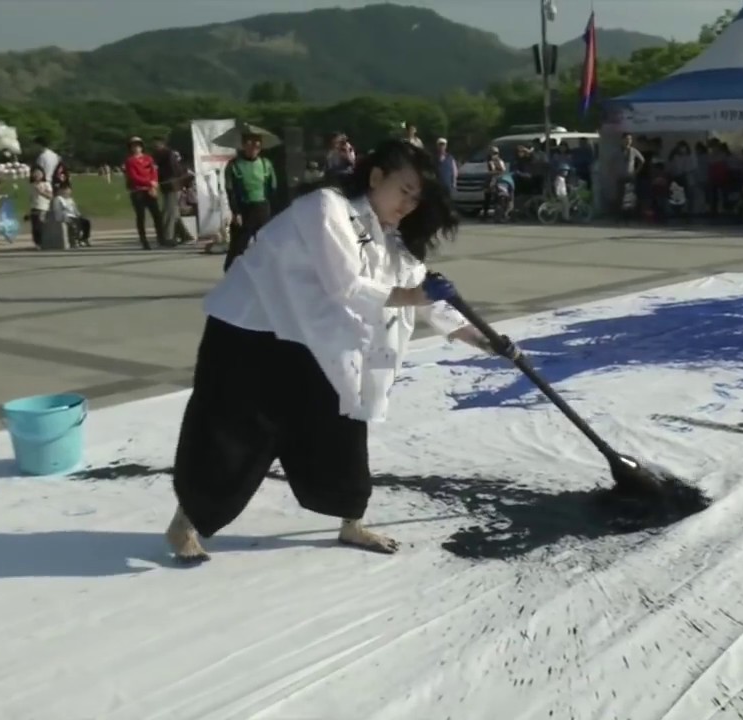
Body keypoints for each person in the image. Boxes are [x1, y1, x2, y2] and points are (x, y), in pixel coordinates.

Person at [166, 140, 519, 562]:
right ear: (375, 177)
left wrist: (484, 340)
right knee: (233, 431)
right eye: (403, 190)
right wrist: (414, 293)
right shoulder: (325, 207)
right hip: (253, 331)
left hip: (315, 339)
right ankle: (186, 523)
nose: (408, 204)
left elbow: (432, 302)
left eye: (416, 198)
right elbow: (347, 286)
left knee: (339, 426)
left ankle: (351, 520)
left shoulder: (391, 239)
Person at [223, 128, 278, 270]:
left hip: (263, 208)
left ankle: (265, 272)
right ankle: (231, 274)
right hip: (243, 209)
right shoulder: (234, 165)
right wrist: (236, 212)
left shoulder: (266, 164)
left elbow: (273, 188)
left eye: (257, 143)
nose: (254, 147)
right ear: (243, 145)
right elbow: (230, 190)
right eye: (250, 143)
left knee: (265, 244)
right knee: (238, 246)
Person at [153, 136, 195, 246]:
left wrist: (175, 180)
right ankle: (185, 235)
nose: (156, 144)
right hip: (167, 185)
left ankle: (168, 237)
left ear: (163, 143)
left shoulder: (167, 153)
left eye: (158, 142)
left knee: (169, 211)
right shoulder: (158, 154)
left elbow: (174, 169)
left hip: (172, 185)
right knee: (174, 212)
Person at [124, 136, 164, 250]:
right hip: (138, 191)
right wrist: (149, 182)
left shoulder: (148, 158)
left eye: (138, 145)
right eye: (134, 146)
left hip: (150, 190)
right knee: (141, 216)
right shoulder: (130, 161)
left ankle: (161, 238)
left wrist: (154, 182)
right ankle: (144, 240)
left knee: (157, 215)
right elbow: (133, 176)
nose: (136, 148)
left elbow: (153, 171)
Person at [50, 182, 91, 247]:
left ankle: (84, 238)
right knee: (74, 224)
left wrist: (79, 215)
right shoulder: (58, 199)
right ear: (60, 190)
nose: (66, 191)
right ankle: (74, 240)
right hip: (65, 217)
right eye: (64, 189)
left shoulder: (70, 199)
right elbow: (58, 211)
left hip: (73, 216)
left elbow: (75, 209)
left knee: (86, 222)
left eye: (68, 190)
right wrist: (64, 217)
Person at [28, 167, 53, 248]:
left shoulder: (46, 184)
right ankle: (37, 243)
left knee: (41, 225)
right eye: (35, 174)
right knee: (35, 227)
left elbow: (50, 196)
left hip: (43, 207)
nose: (37, 175)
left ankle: (43, 242)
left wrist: (41, 192)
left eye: (39, 173)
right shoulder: (31, 185)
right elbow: (31, 198)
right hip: (34, 207)